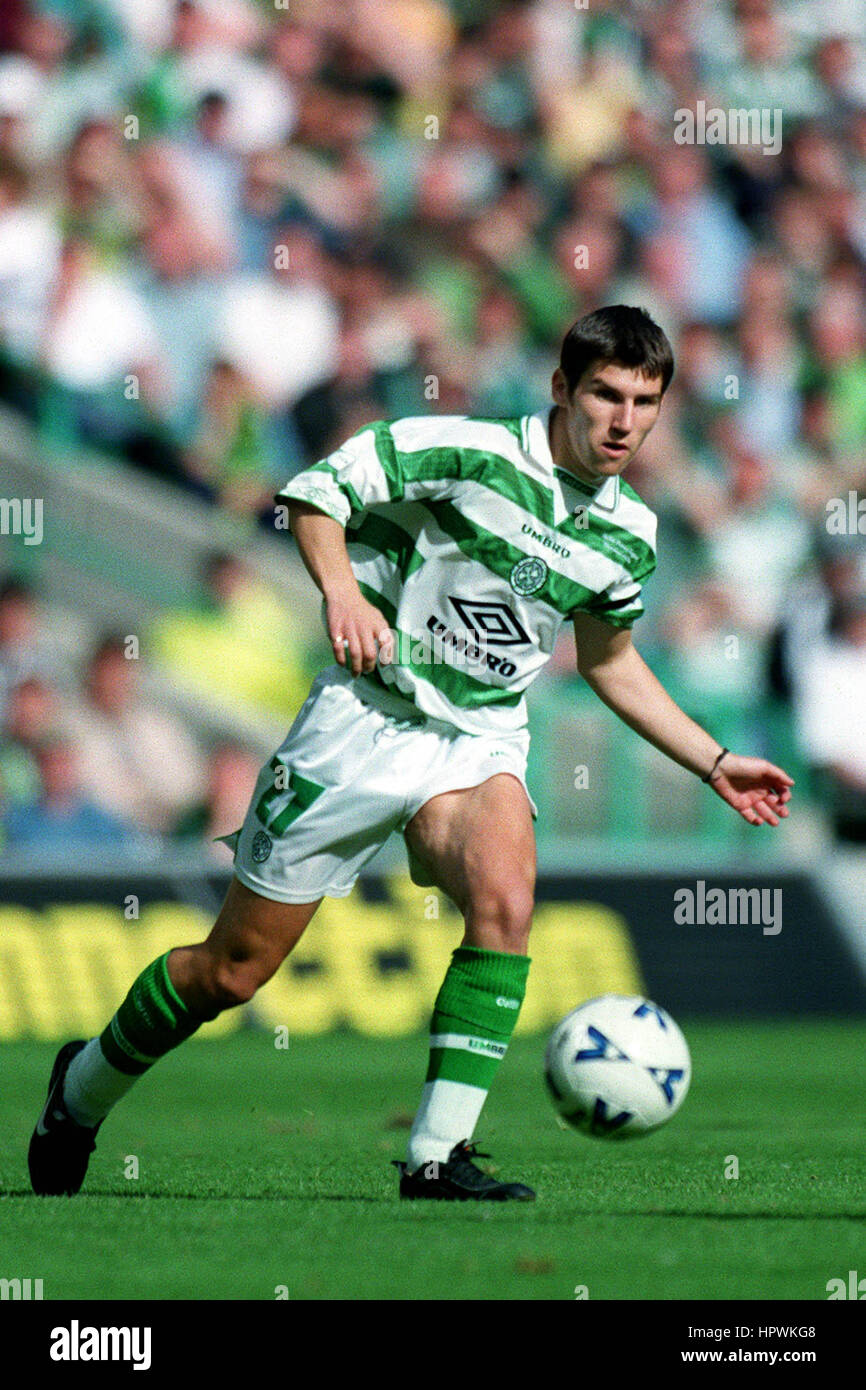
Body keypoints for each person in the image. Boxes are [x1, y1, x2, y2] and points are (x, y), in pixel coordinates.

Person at [29, 305, 793, 1201]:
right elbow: (315, 493)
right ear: (562, 388)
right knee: (232, 971)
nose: (625, 421)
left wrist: (714, 760)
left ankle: (436, 1157)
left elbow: (610, 661)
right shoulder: (465, 449)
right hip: (362, 721)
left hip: (476, 738)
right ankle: (79, 1093)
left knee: (506, 902)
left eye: (646, 402)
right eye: (606, 395)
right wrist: (344, 595)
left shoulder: (631, 535)